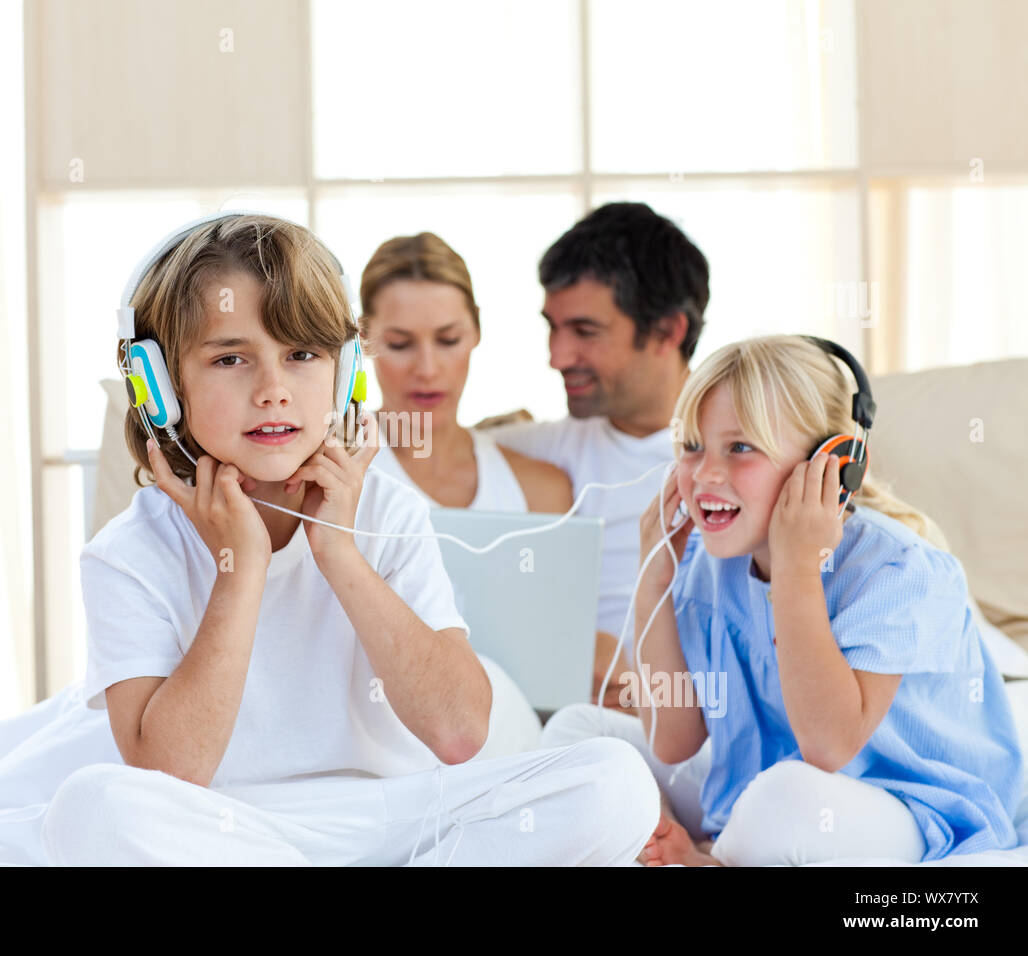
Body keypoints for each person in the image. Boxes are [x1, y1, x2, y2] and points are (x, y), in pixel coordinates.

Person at [38, 213, 660, 865]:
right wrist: (240, 569)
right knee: (90, 811)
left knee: (614, 781)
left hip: (399, 815)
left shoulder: (385, 509)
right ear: (160, 387)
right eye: (230, 358)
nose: (274, 391)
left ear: (347, 373)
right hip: (231, 827)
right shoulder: (129, 552)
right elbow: (170, 773)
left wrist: (338, 547)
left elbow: (458, 733)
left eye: (302, 355)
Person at [541, 335, 1025, 866]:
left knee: (786, 797)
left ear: (835, 464)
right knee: (576, 732)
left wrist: (797, 569)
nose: (704, 474)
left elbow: (828, 746)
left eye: (741, 448)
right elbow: (672, 740)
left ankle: (706, 857)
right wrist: (655, 581)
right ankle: (666, 843)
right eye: (692, 446)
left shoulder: (898, 571)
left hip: (912, 810)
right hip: (758, 783)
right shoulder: (708, 565)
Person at [486, 202, 710, 706]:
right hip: (574, 720)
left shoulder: (750, 459)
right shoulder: (535, 451)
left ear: (667, 331)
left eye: (585, 332)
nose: (557, 356)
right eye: (553, 326)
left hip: (698, 721)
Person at [360, 232, 571, 513]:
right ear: (362, 338)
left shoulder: (539, 491)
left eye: (449, 340)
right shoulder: (322, 480)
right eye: (400, 344)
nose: (428, 369)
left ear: (477, 329)